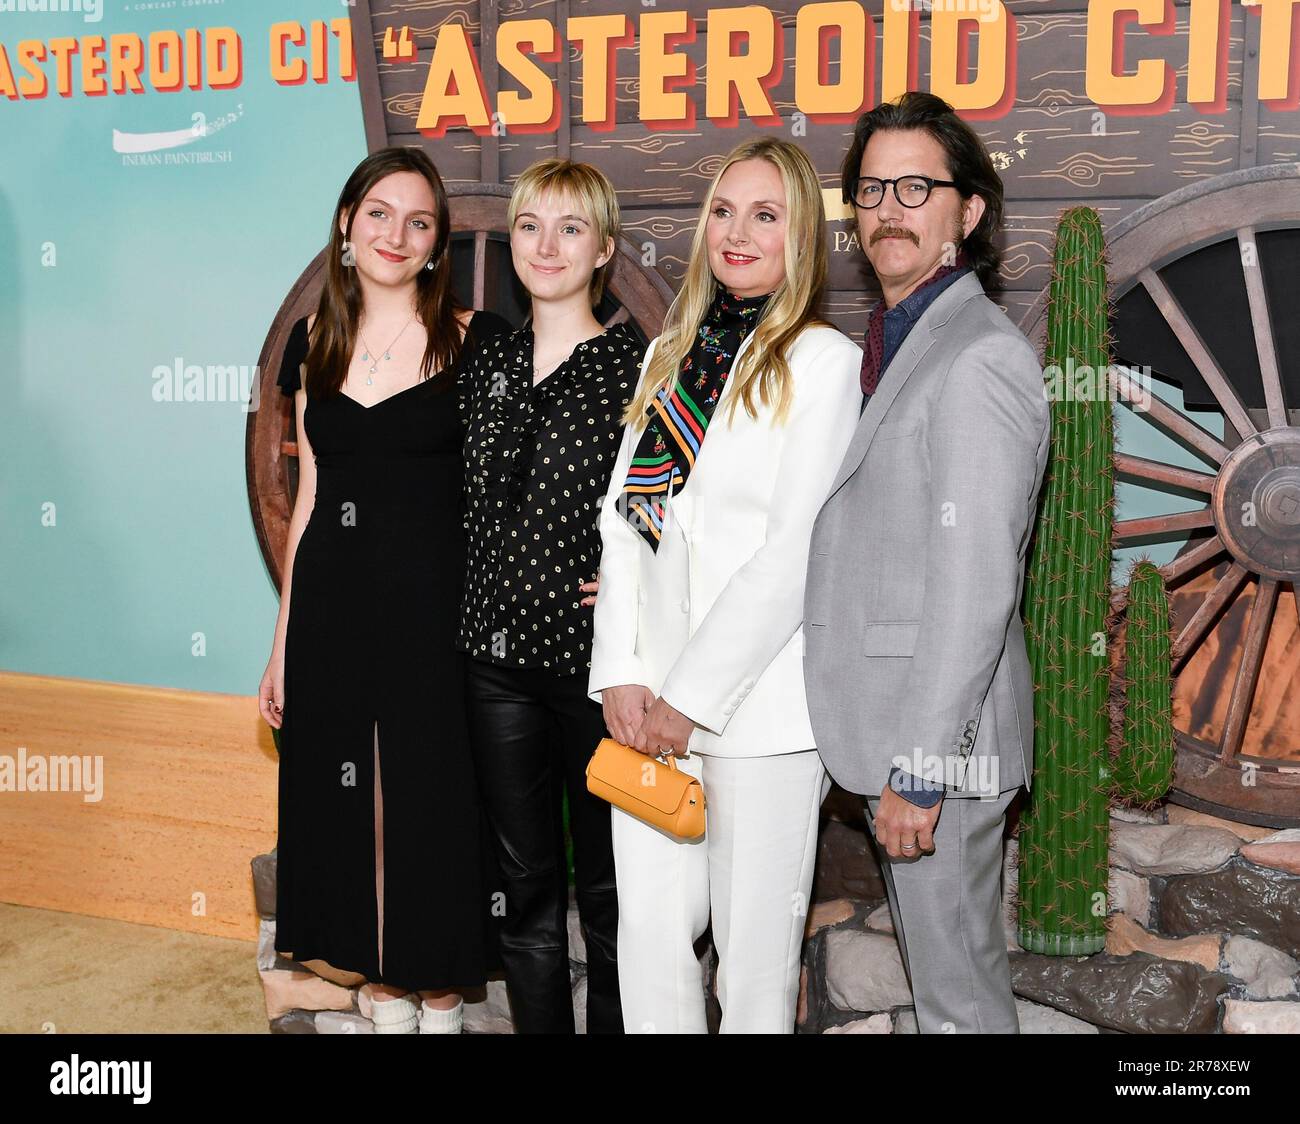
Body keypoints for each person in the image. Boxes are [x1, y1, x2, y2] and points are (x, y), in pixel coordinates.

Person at [588, 137, 863, 1033]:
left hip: (762, 722)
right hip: (644, 713)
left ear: (801, 240)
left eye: (766, 214)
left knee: (752, 972)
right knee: (651, 949)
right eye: (723, 210)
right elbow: (625, 525)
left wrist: (690, 700)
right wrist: (622, 674)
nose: (737, 232)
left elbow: (790, 558)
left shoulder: (822, 364)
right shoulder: (672, 351)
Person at [803, 91, 1051, 1033]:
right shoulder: (900, 342)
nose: (889, 210)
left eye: (917, 187)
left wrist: (919, 769)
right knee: (948, 987)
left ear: (969, 212)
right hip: (900, 738)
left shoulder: (979, 356)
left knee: (956, 1001)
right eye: (872, 190)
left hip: (936, 750)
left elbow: (976, 584)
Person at [258, 145, 511, 1035]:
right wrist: (284, 640)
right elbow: (312, 498)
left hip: (434, 612)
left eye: (418, 221)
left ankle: (436, 995)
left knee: (431, 798)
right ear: (346, 223)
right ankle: (378, 986)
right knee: (342, 799)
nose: (395, 235)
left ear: (437, 242)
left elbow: (510, 491)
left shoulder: (477, 340)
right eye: (378, 214)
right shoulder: (311, 344)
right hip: (330, 611)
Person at [457, 159, 640, 1034]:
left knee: (608, 890)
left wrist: (644, 573)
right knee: (524, 891)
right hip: (493, 668)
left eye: (571, 228)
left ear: (603, 248)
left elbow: (680, 500)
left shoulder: (636, 368)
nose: (547, 245)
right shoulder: (483, 358)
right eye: (531, 225)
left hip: (590, 671)